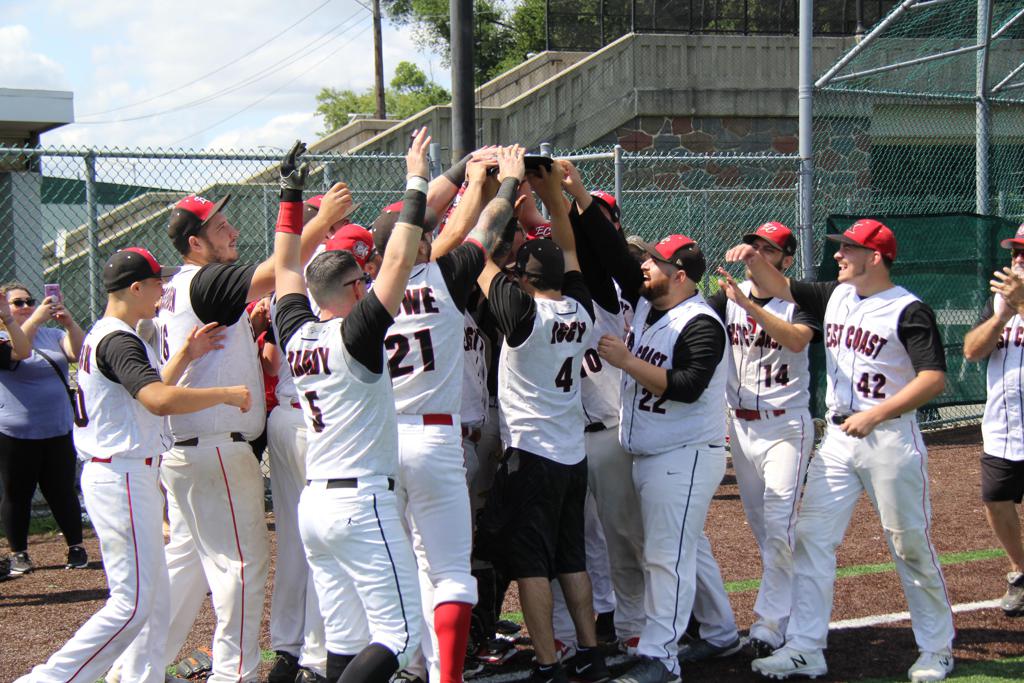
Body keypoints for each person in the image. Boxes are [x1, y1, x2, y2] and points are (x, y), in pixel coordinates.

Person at [121, 142, 343, 683]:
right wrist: (309, 211)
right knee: (243, 568)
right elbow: (280, 267)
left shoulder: (179, 288)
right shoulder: (201, 280)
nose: (232, 233)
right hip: (217, 446)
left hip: (190, 449)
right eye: (220, 228)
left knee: (190, 569)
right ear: (194, 242)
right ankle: (235, 675)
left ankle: (136, 670)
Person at [732, 219, 956, 682]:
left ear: (875, 257)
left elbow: (933, 378)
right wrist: (753, 259)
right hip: (837, 441)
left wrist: (876, 414)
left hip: (889, 437)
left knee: (908, 543)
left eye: (849, 248)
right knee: (812, 539)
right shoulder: (835, 295)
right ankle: (806, 647)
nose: (838, 254)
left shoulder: (908, 309)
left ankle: (937, 648)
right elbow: (780, 283)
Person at [16, 247, 250, 683]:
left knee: (155, 598)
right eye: (158, 282)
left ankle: (143, 677)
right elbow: (158, 399)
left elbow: (149, 386)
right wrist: (224, 394)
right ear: (136, 287)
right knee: (133, 603)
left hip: (125, 470)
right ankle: (47, 679)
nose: (163, 289)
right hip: (119, 472)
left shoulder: (113, 334)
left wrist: (186, 355)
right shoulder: (118, 338)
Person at [273, 129, 431, 683]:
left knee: (345, 640)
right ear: (352, 287)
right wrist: (416, 176)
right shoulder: (356, 332)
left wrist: (289, 195)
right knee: (404, 633)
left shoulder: (297, 332)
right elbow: (401, 253)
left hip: (316, 505)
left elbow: (287, 265)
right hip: (360, 501)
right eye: (360, 280)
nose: (369, 284)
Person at [378, 147, 518, 683]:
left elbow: (442, 227)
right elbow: (485, 229)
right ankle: (447, 675)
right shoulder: (442, 280)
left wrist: (458, 175)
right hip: (437, 439)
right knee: (451, 569)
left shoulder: (362, 299)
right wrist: (502, 184)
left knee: (407, 562)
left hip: (383, 443)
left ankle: (414, 662)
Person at [474, 159, 607, 683]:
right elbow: (570, 249)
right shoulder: (582, 308)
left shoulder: (524, 314)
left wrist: (500, 189)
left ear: (524, 278)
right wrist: (553, 197)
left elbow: (478, 252)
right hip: (571, 454)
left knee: (532, 565)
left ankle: (549, 662)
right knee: (571, 558)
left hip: (532, 456)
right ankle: (589, 653)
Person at [596, 234, 728, 683]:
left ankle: (662, 656)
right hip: (657, 453)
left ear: (681, 275)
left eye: (655, 261)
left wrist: (628, 362)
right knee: (687, 549)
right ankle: (721, 630)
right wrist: (574, 197)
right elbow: (616, 257)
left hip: (684, 453)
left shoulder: (702, 323)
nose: (646, 266)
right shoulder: (655, 306)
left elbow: (688, 386)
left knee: (666, 557)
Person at [686, 222, 819, 661]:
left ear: (786, 260)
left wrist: (749, 306)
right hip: (741, 428)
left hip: (786, 426)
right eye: (754, 244)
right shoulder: (728, 294)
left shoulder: (798, 299)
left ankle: (767, 624)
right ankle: (794, 614)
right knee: (766, 532)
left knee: (780, 525)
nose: (757, 253)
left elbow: (796, 341)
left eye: (769, 249)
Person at [263, 213, 379, 683]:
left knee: (296, 541)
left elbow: (271, 361)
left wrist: (290, 207)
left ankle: (287, 650)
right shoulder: (349, 313)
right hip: (320, 429)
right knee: (329, 548)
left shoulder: (293, 287)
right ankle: (315, 655)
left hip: (285, 417)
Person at [0, 282, 87, 573]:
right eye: (18, 303)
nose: (26, 307)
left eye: (30, 301)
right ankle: (19, 553)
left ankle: (76, 546)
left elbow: (79, 353)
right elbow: (19, 352)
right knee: (17, 493)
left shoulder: (52, 335)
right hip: (16, 433)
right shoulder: (3, 339)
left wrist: (70, 323)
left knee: (62, 490)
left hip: (58, 427)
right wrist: (35, 319)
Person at [963, 223, 1024, 618]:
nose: (1017, 259)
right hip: (1004, 430)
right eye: (1015, 252)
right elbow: (971, 350)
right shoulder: (999, 302)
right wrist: (1002, 315)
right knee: (996, 500)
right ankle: (1021, 571)